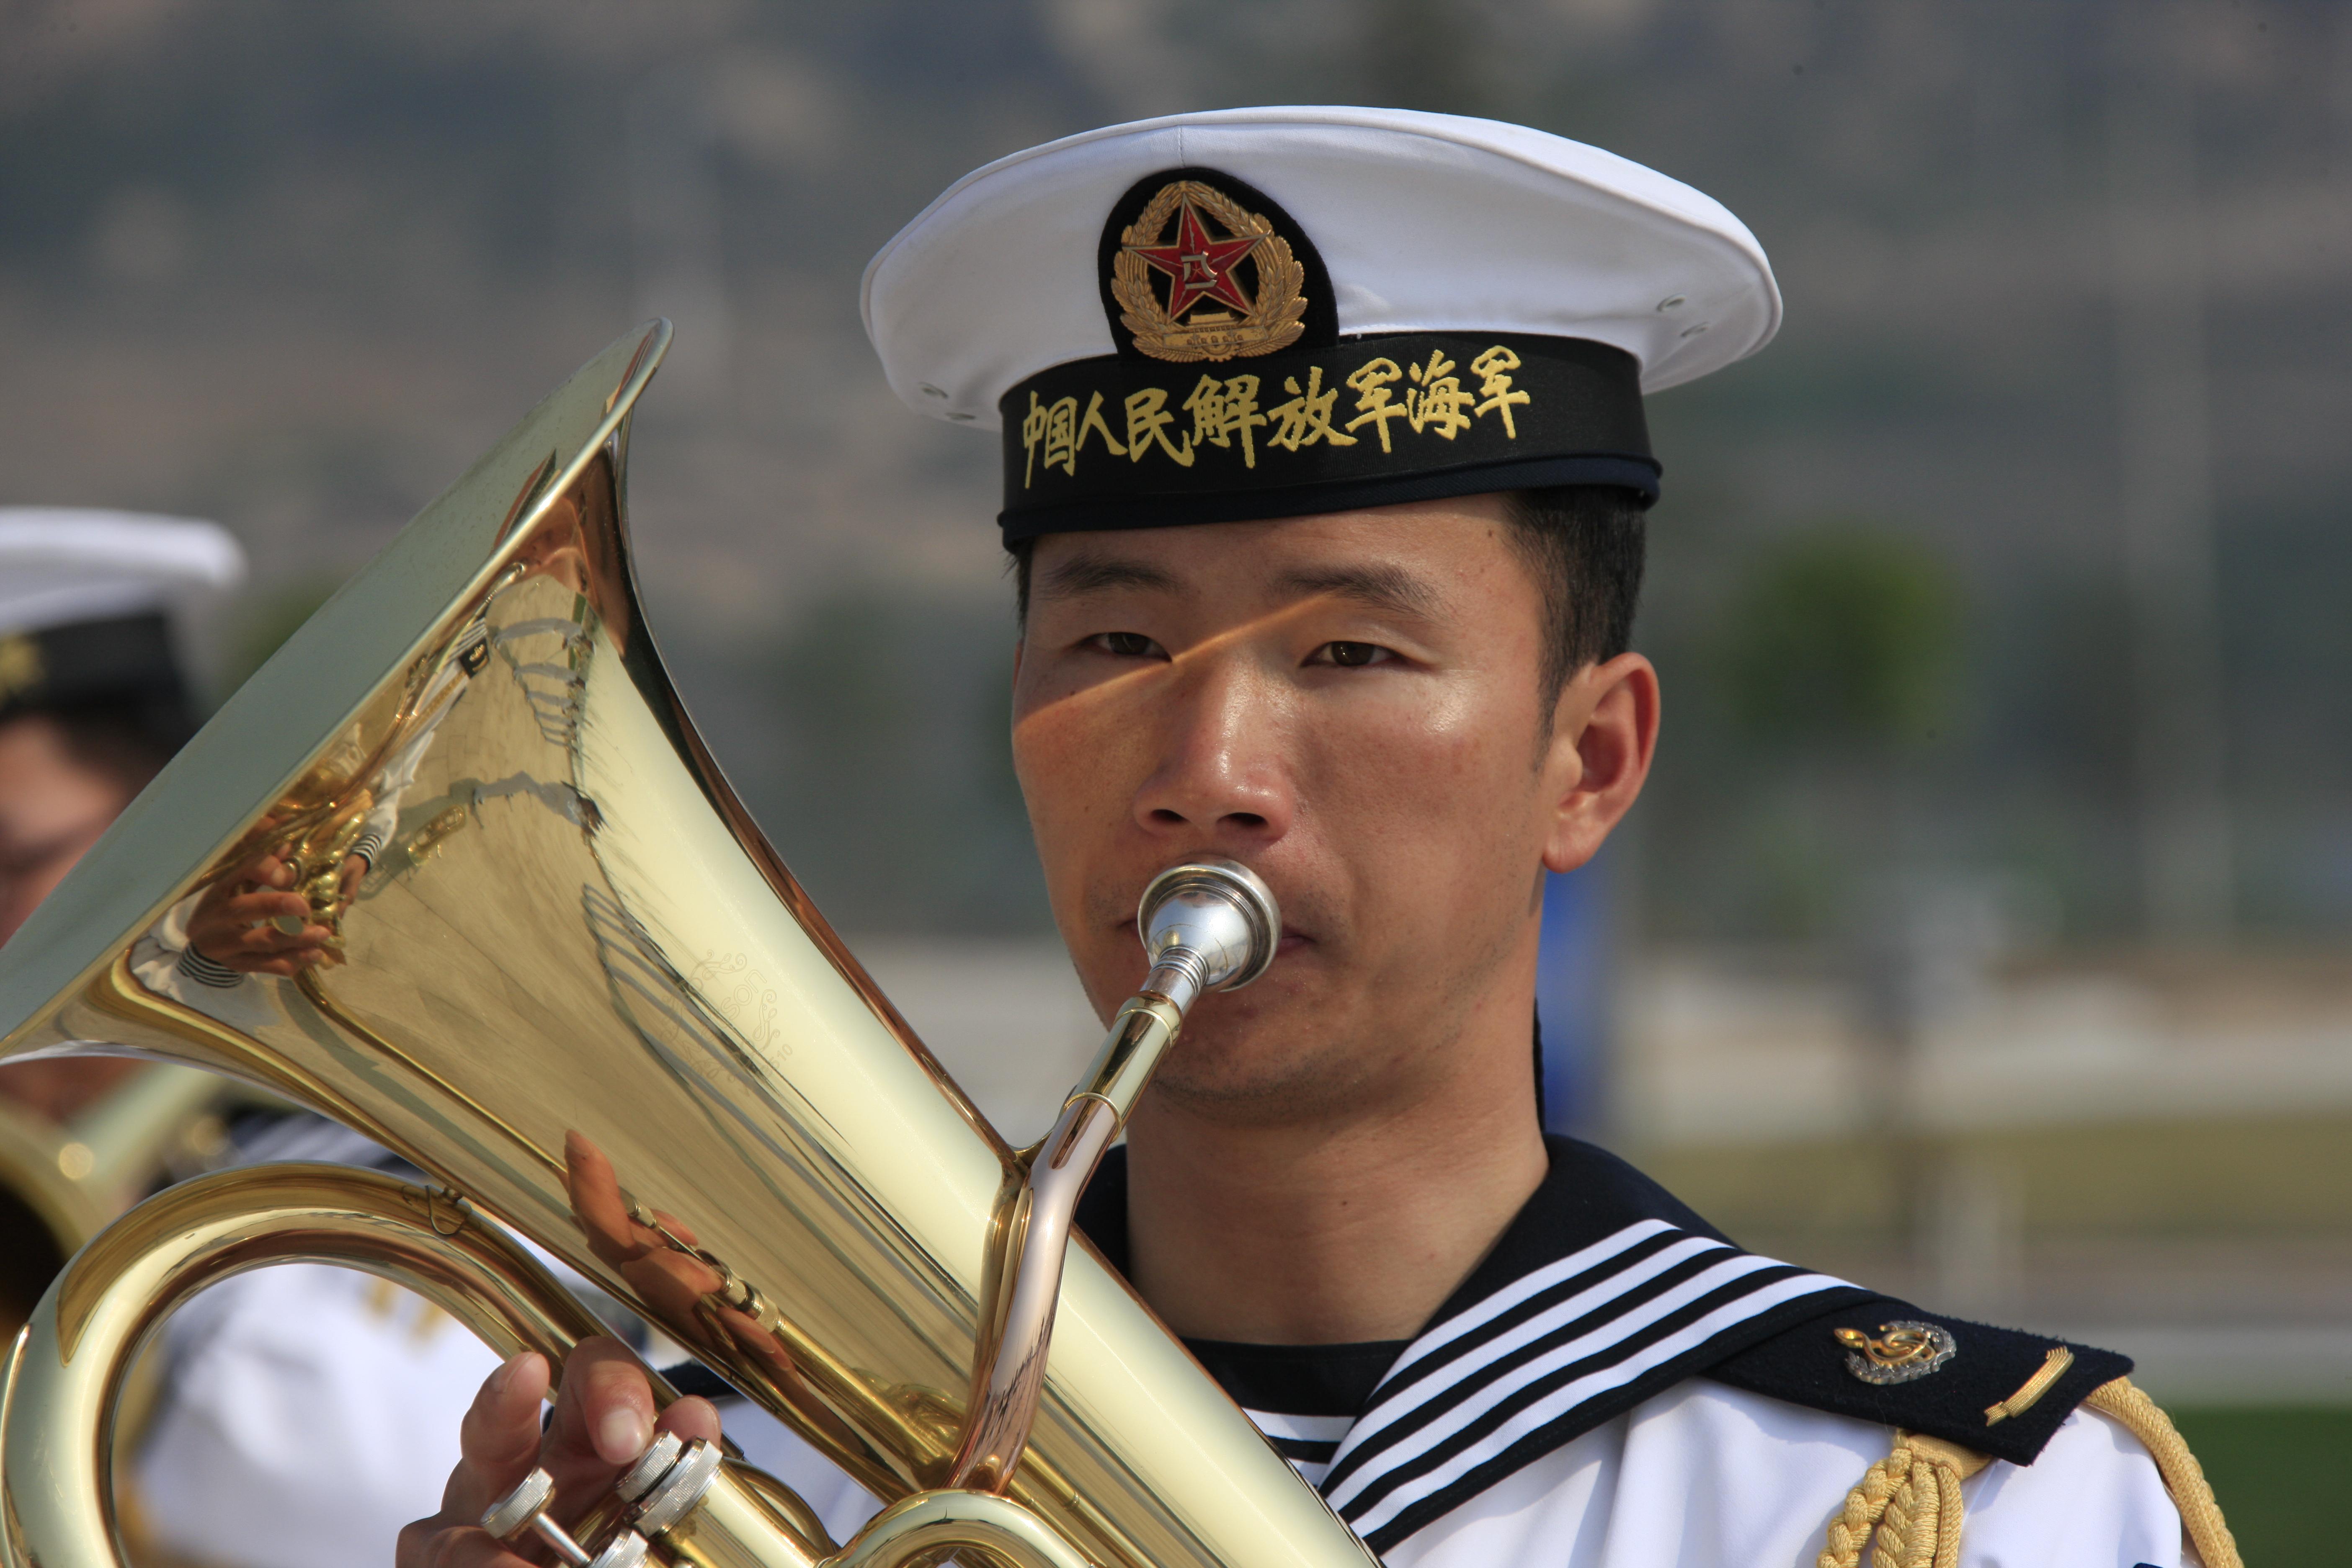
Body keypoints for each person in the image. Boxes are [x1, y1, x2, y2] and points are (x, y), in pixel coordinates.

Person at [403, 109, 2233, 1568]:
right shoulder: (755, 1486)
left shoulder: (1948, 1514)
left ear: (1587, 761)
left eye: (1351, 652)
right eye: (1113, 644)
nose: (1208, 767)